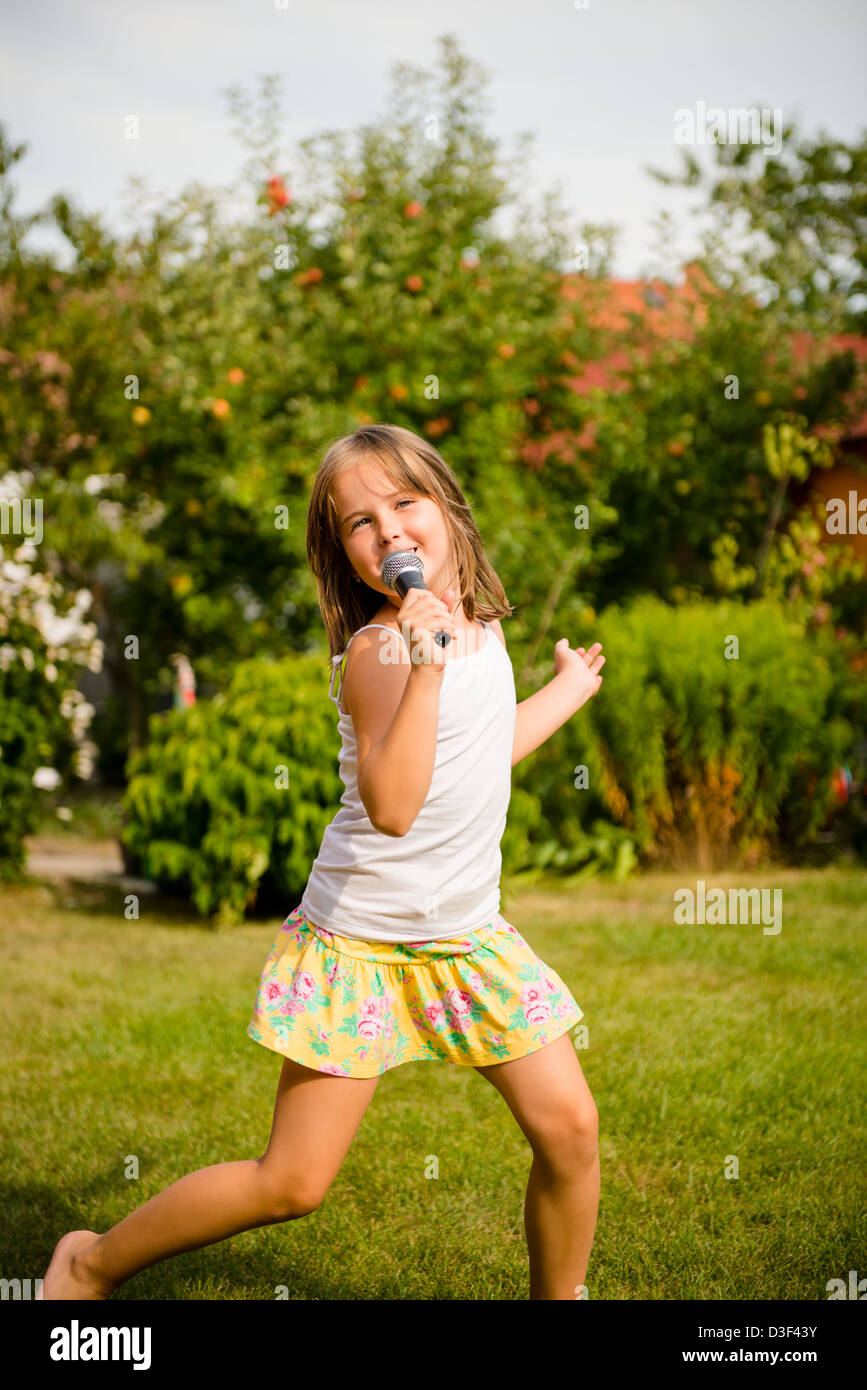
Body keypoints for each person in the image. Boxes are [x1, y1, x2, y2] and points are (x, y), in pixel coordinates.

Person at [39, 423, 605, 1302]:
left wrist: (564, 693)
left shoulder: (480, 629)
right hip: (359, 946)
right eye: (359, 523)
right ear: (343, 554)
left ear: (447, 507)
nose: (388, 533)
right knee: (292, 1184)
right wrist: (423, 668)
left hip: (465, 939)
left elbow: (479, 752)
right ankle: (88, 1261)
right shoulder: (382, 654)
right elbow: (392, 806)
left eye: (404, 504)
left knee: (569, 1128)